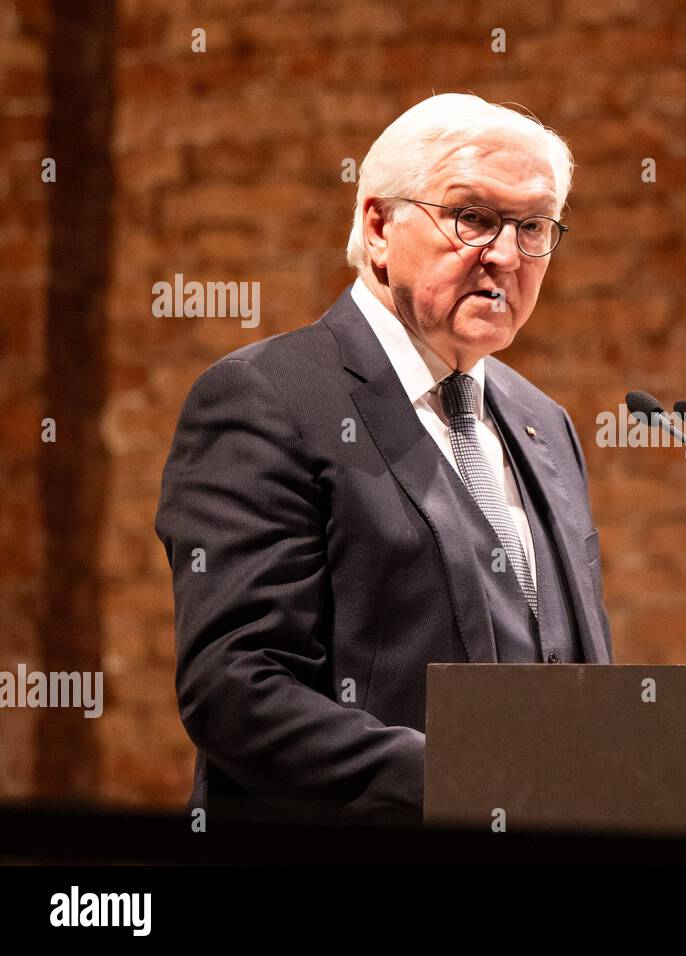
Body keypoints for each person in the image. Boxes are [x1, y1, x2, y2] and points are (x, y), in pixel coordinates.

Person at [155, 93, 613, 826]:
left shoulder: (541, 423)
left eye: (532, 228)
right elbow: (237, 688)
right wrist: (464, 786)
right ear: (377, 226)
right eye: (473, 218)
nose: (505, 254)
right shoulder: (266, 397)